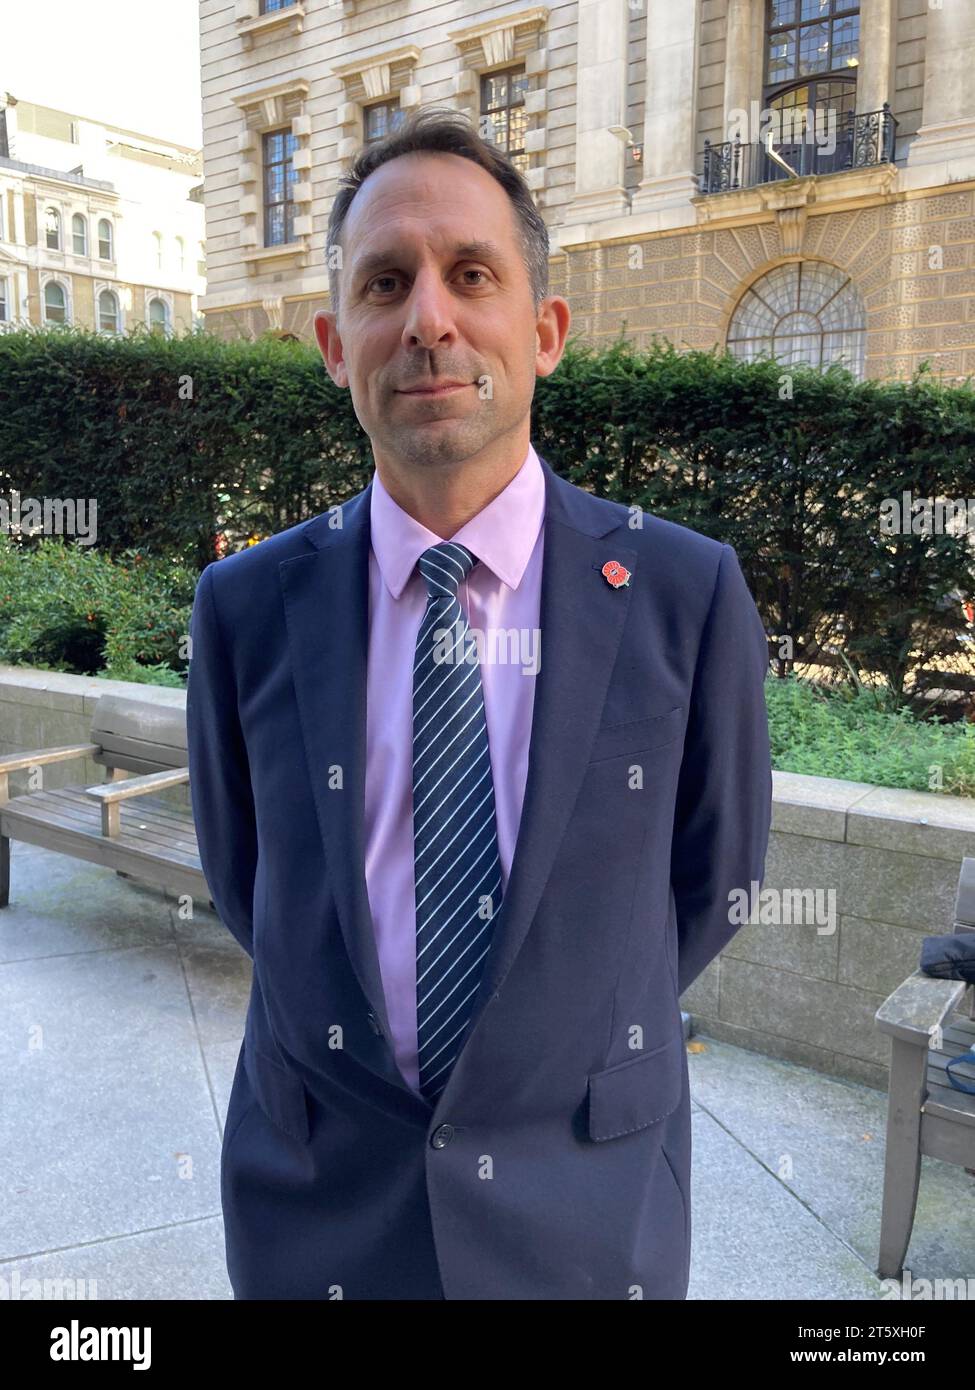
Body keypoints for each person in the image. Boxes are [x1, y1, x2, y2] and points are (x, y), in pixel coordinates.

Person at [186, 106, 773, 1300]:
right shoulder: (243, 607)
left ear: (544, 328)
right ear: (332, 342)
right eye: (385, 283)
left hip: (590, 1217)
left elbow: (710, 887)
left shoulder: (682, 589)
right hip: (321, 1214)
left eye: (470, 275)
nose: (429, 322)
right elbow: (254, 890)